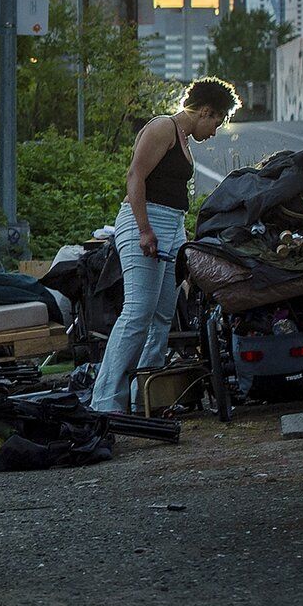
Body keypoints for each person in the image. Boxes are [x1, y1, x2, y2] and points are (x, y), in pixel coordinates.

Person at [91, 77, 239, 413]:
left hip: (172, 226)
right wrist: (144, 230)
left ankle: (144, 397)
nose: (215, 131)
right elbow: (135, 177)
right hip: (145, 220)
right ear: (205, 111)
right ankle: (105, 399)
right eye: (216, 122)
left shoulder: (184, 139)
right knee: (138, 312)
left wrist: (180, 235)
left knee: (162, 315)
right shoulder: (163, 127)